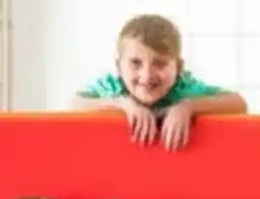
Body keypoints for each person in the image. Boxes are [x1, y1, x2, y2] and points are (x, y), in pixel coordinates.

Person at [72, 13, 248, 150]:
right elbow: (77, 103)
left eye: (160, 63)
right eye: (135, 63)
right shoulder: (114, 87)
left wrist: (187, 107)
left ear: (178, 67)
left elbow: (238, 103)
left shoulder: (183, 88)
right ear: (119, 67)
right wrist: (123, 104)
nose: (147, 76)